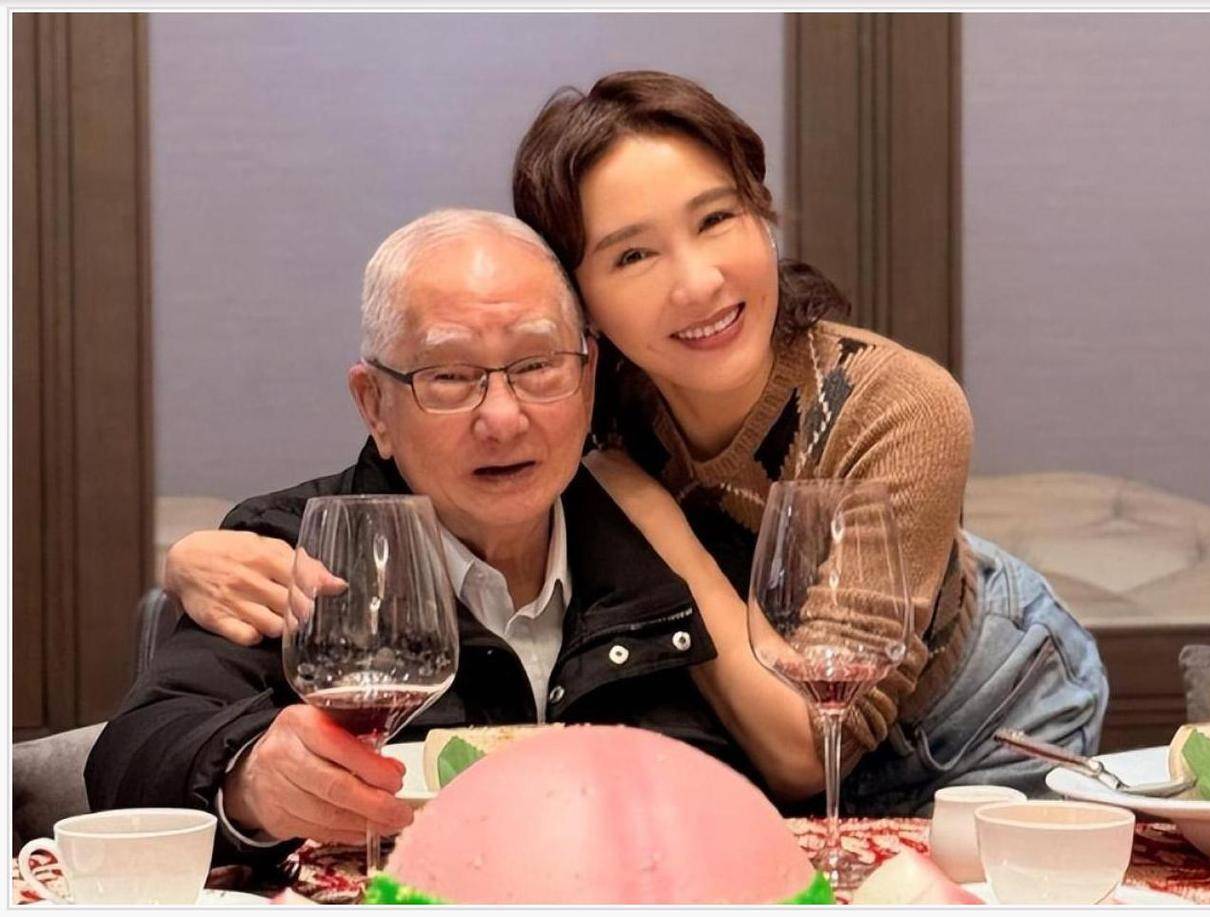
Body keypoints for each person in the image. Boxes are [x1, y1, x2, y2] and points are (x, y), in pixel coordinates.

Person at [161, 71, 1108, 816]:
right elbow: (431, 397)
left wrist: (652, 513)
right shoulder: (580, 389)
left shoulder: (895, 404)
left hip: (972, 702)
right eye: (633, 254)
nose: (697, 283)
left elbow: (803, 741)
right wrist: (195, 558)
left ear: (764, 213)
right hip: (771, 714)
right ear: (581, 302)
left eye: (718, 219)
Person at [85, 209, 821, 867]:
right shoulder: (298, 548)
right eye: (449, 376)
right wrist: (248, 780)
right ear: (375, 404)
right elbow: (133, 756)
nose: (502, 417)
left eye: (537, 366)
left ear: (588, 376)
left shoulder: (655, 535)